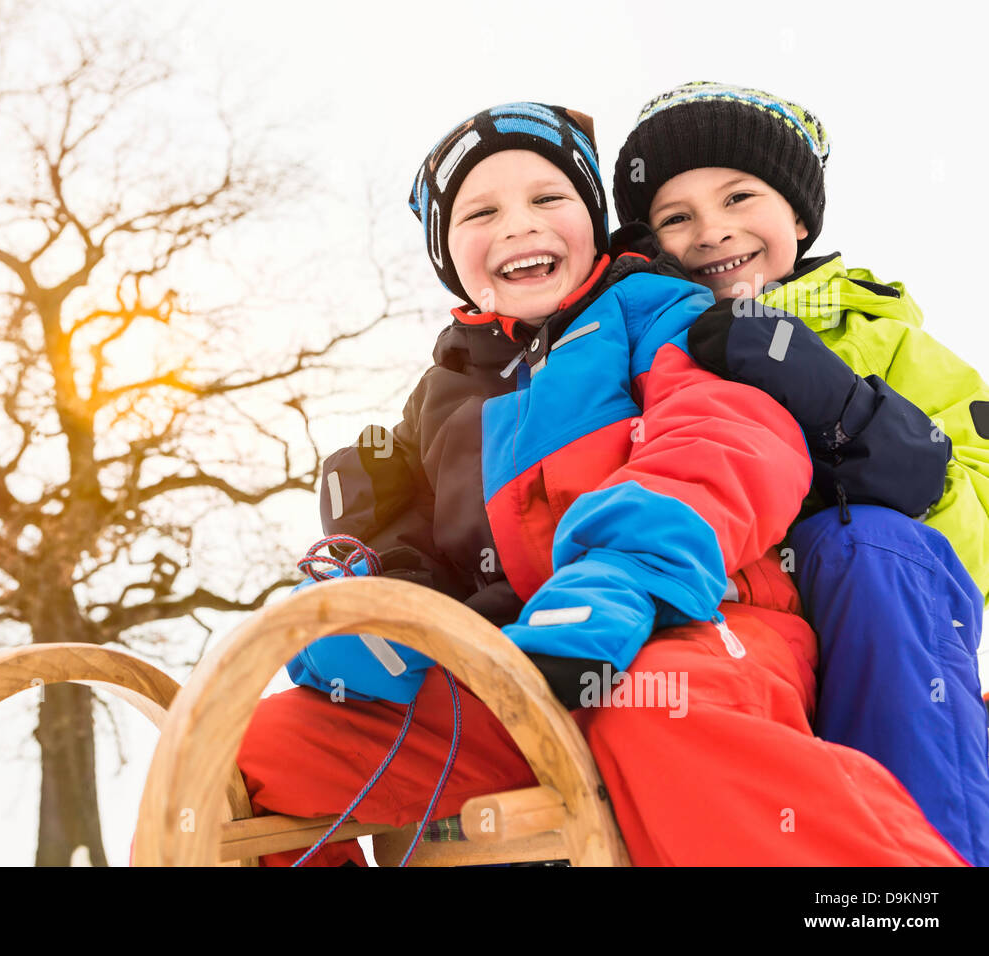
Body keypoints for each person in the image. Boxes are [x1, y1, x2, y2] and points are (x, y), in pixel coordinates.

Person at [234, 101, 969, 866]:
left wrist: (618, 578)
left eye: (548, 199)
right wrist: (366, 609)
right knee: (268, 749)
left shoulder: (661, 312)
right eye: (482, 211)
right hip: (523, 667)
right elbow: (409, 547)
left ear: (595, 222)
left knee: (649, 714)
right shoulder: (440, 399)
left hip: (698, 624)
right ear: (449, 259)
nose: (519, 225)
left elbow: (726, 441)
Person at [612, 80, 989, 866]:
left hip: (888, 634)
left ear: (799, 217)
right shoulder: (642, 346)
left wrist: (844, 408)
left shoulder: (887, 341)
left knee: (861, 544)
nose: (712, 232)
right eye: (676, 217)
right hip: (726, 631)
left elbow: (973, 524)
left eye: (739, 196)